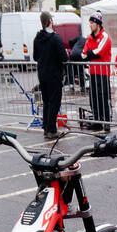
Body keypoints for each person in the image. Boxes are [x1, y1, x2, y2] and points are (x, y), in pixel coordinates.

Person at [32, 11, 67, 139]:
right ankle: (52, 129)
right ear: (50, 21)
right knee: (54, 102)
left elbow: (35, 57)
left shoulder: (37, 38)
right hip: (54, 74)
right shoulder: (55, 38)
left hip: (42, 74)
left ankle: (46, 128)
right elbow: (64, 57)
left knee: (46, 102)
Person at [83, 11, 112, 129]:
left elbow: (99, 52)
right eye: (89, 23)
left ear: (98, 24)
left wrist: (91, 53)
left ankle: (106, 121)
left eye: (91, 23)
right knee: (93, 97)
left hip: (103, 73)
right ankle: (97, 120)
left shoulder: (105, 37)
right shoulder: (90, 38)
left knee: (103, 97)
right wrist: (92, 54)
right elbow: (84, 54)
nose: (90, 25)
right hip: (93, 72)